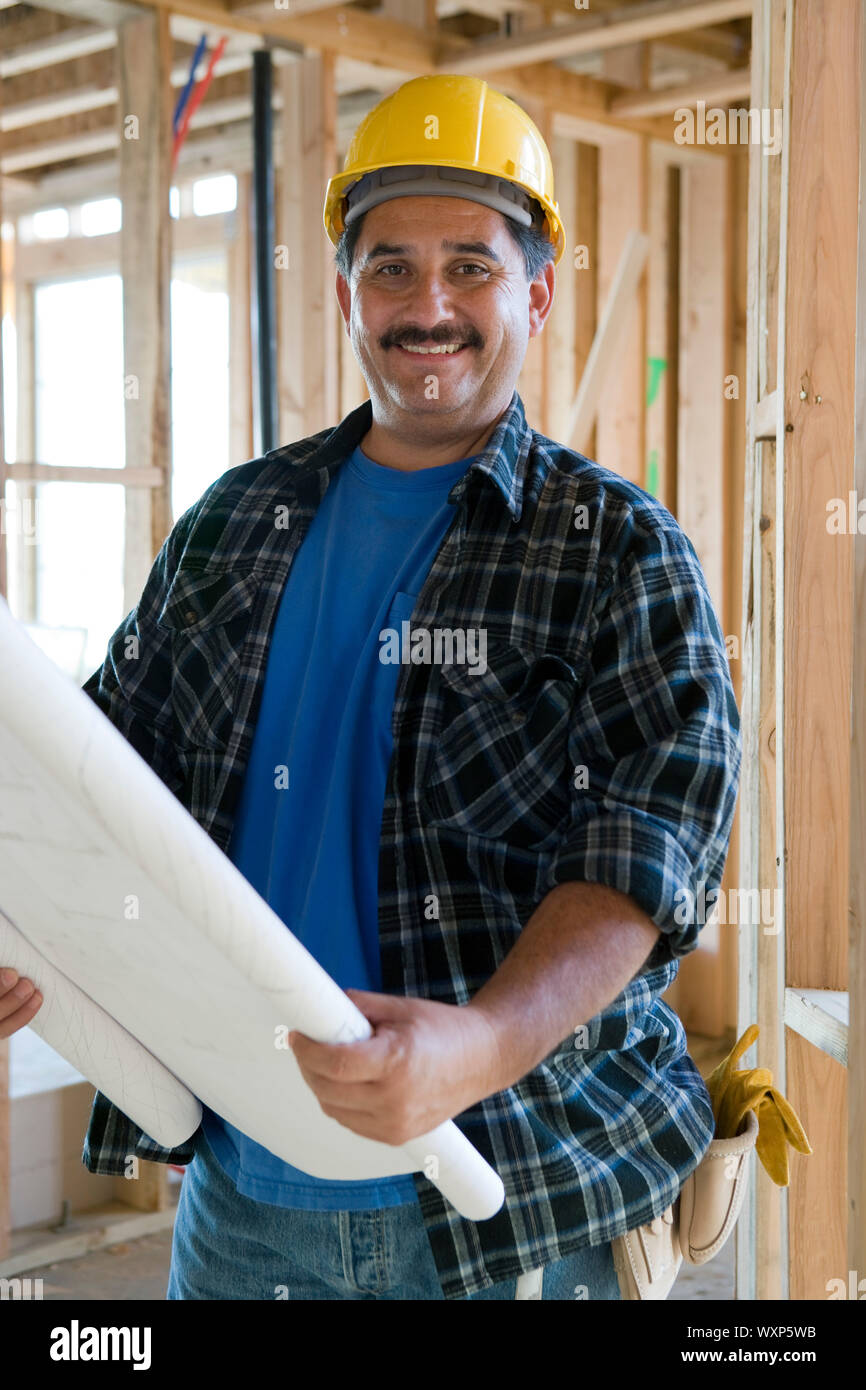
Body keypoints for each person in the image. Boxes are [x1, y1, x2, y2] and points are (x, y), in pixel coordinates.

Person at [0, 73, 740, 1301]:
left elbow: (647, 845)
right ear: (345, 291)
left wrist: (482, 1043)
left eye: (471, 265)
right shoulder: (236, 525)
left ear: (537, 293)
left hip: (508, 1204)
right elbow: (94, 777)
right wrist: (30, 942)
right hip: (243, 1201)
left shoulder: (614, 549)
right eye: (390, 266)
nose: (428, 304)